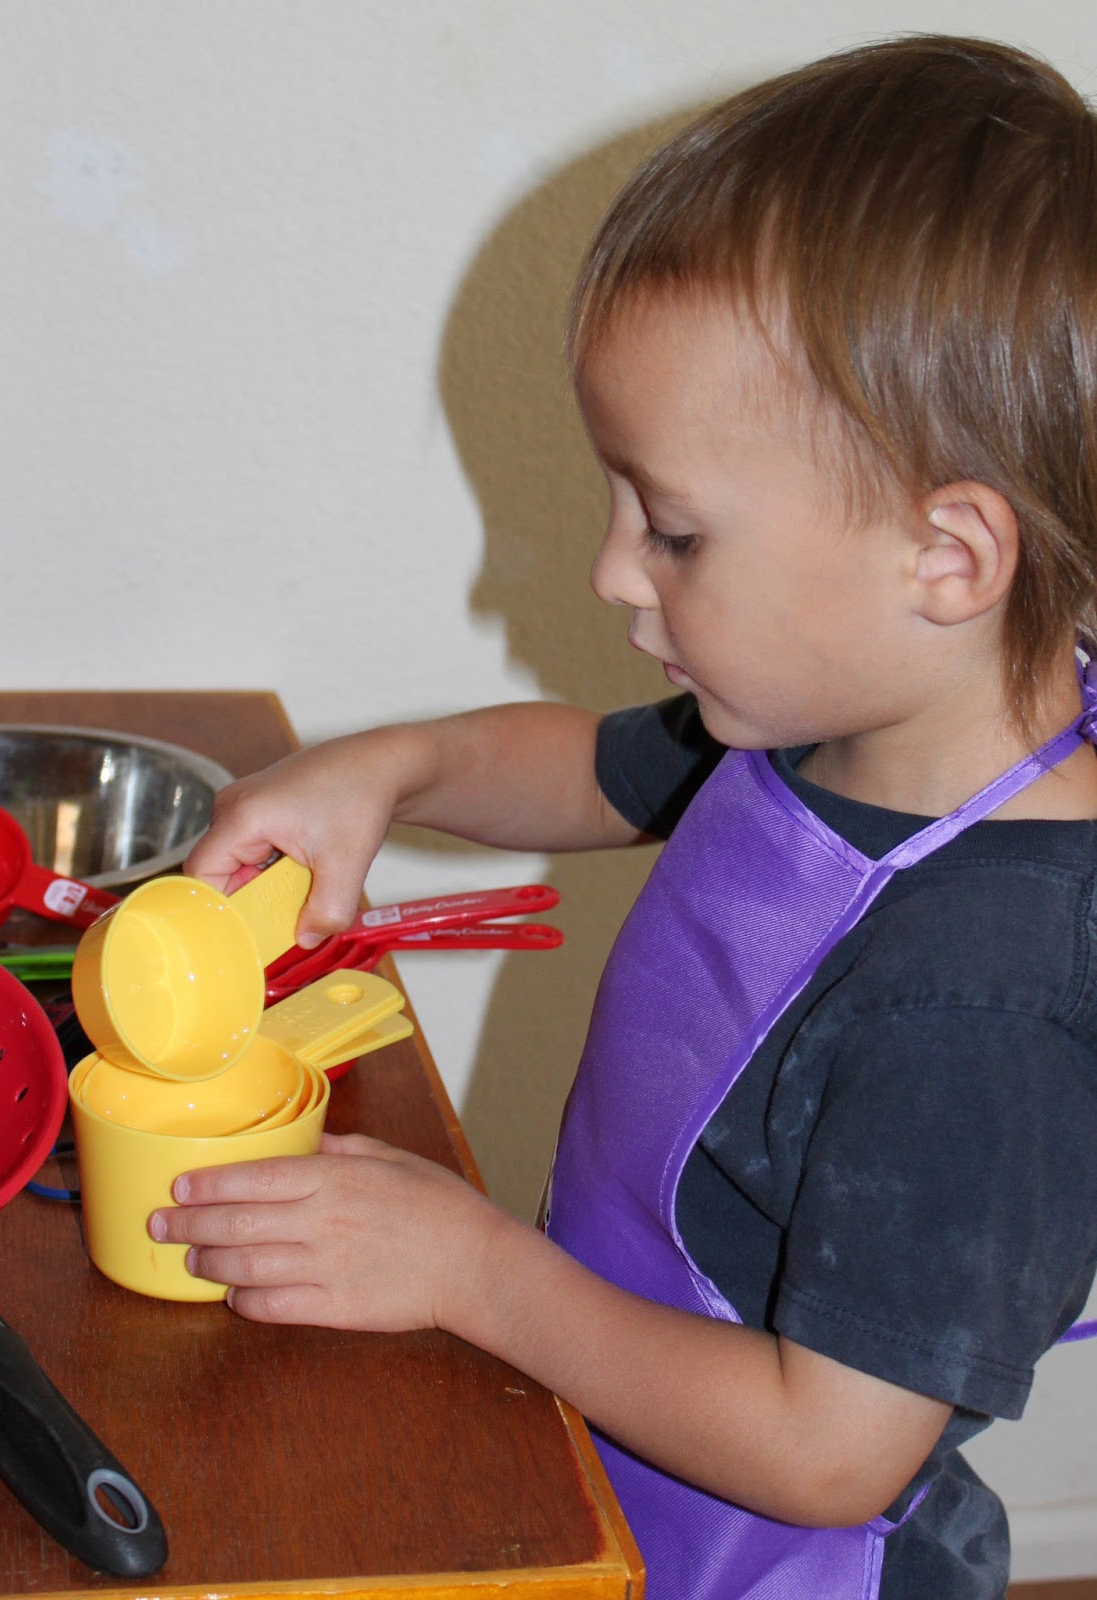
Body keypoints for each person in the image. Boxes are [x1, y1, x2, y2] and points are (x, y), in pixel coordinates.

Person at [148, 35, 1097, 1600]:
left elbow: (832, 1450)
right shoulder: (834, 726)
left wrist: (470, 1272)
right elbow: (586, 770)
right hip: (606, 1468)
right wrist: (390, 768)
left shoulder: (989, 1007)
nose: (608, 572)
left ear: (948, 557)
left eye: (671, 528)